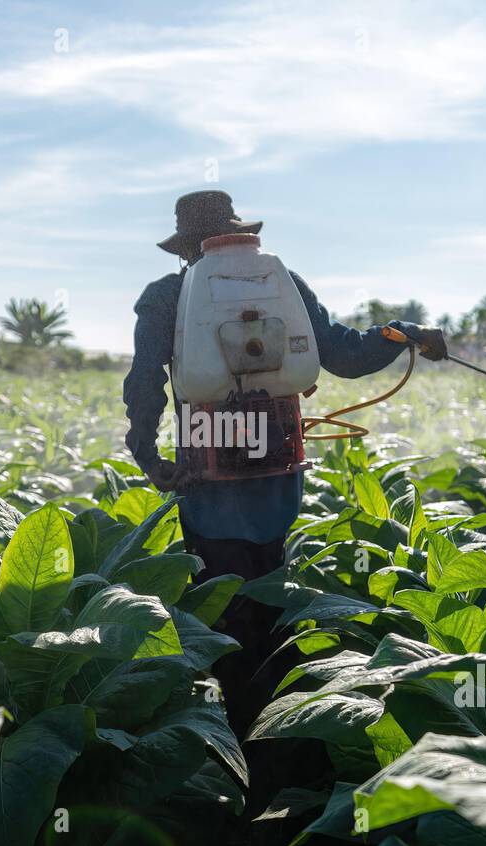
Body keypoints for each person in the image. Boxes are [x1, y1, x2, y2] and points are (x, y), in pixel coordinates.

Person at [122, 190, 445, 749]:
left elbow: (144, 381)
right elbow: (342, 354)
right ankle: (292, 736)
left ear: (184, 249)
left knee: (225, 604)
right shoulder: (282, 282)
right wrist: (405, 332)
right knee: (275, 593)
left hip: (209, 474)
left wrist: (149, 456)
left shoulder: (168, 295)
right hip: (277, 471)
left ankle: (248, 744)